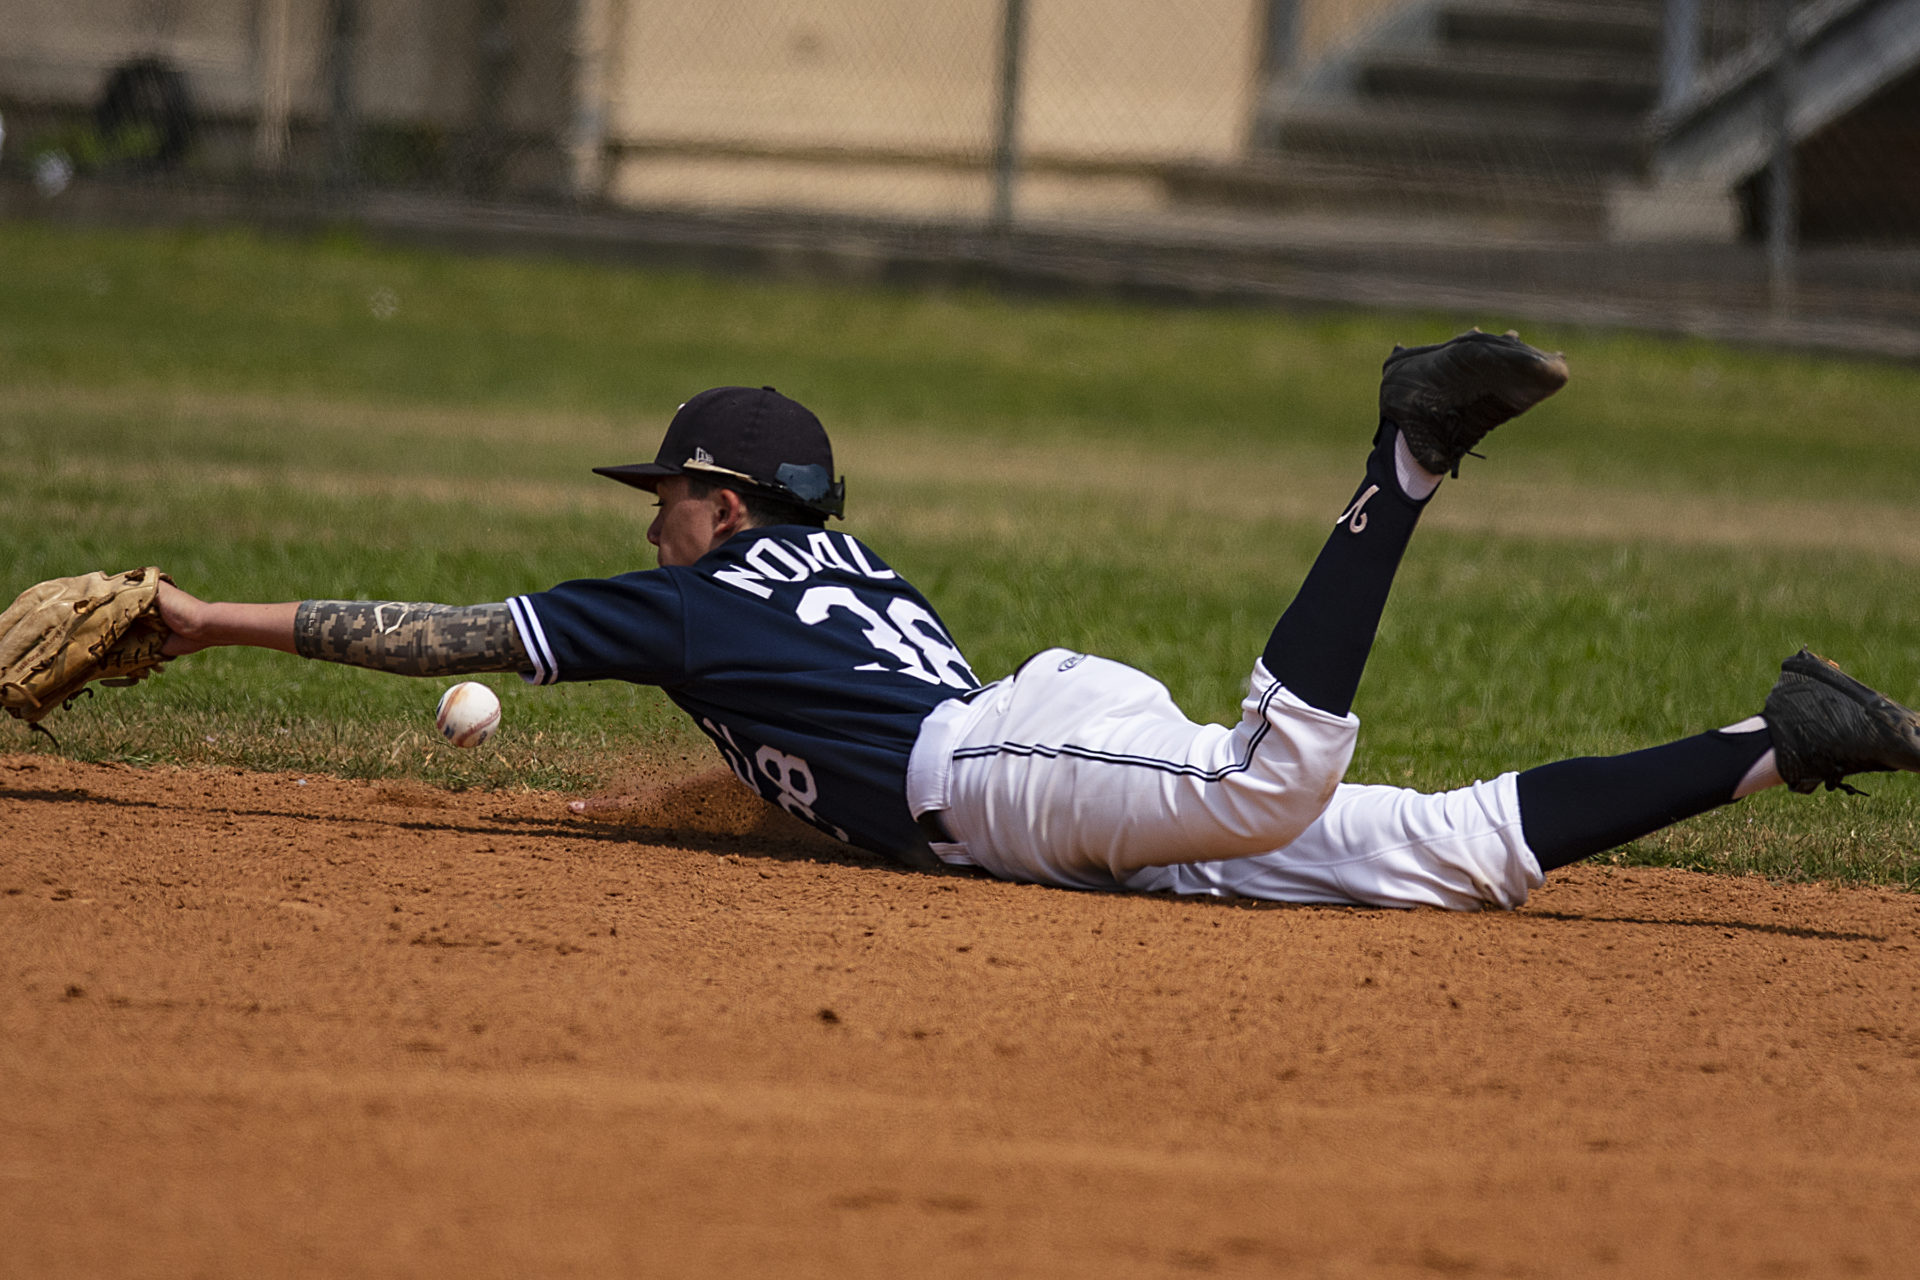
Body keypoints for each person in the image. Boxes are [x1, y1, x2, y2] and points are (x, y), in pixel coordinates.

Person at [154, 334, 1920, 911]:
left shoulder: (688, 605)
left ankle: (1405, 457)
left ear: (732, 508)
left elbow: (449, 635)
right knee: (1446, 861)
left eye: (673, 489)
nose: (653, 515)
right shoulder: (822, 578)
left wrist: (198, 616)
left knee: (1272, 783)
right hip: (1034, 759)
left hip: (997, 766)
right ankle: (1784, 739)